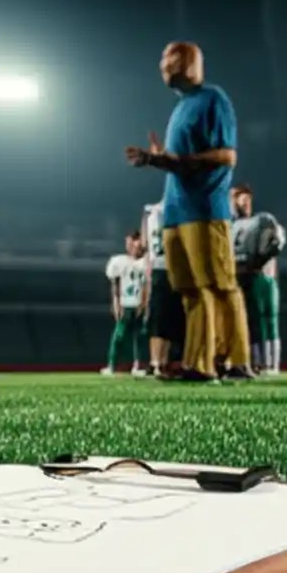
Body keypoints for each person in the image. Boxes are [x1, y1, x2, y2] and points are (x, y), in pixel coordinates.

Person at [126, 41, 252, 382]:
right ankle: (200, 361)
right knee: (191, 290)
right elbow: (177, 162)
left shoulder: (213, 99)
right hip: (176, 210)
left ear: (193, 61)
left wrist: (177, 161)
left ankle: (237, 360)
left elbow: (227, 156)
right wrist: (158, 160)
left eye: (172, 58)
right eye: (162, 59)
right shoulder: (180, 107)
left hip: (205, 208)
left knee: (219, 283)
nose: (164, 65)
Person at [230, 184, 286, 375]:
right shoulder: (230, 225)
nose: (242, 203)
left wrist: (259, 261)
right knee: (247, 321)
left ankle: (270, 363)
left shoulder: (262, 219)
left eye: (245, 198)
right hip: (237, 275)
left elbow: (277, 242)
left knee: (266, 319)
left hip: (259, 275)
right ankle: (251, 361)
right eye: (238, 199)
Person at [141, 202, 185, 376]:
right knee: (163, 318)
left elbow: (146, 243)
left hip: (163, 267)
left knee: (162, 317)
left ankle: (159, 361)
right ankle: (158, 362)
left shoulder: (152, 211)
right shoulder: (169, 209)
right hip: (168, 266)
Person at [101, 232, 149, 377]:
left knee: (141, 335)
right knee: (119, 335)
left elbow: (148, 284)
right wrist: (116, 303)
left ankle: (139, 365)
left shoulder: (146, 261)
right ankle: (112, 364)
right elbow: (115, 284)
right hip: (126, 302)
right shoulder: (120, 261)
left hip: (141, 303)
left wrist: (145, 303)